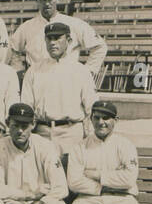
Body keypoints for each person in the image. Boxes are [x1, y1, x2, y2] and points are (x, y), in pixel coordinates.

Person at [20, 21, 96, 161]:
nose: (53, 43)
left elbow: (91, 106)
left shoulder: (80, 71)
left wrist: (90, 136)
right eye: (49, 38)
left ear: (69, 40)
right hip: (42, 132)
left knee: (70, 178)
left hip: (71, 132)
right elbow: (27, 105)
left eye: (57, 38)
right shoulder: (34, 70)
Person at [9, 0, 107, 79]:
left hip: (66, 78)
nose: (47, 3)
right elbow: (13, 49)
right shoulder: (27, 27)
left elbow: (100, 46)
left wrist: (87, 72)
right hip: (37, 78)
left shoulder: (74, 24)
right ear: (37, 0)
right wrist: (19, 70)